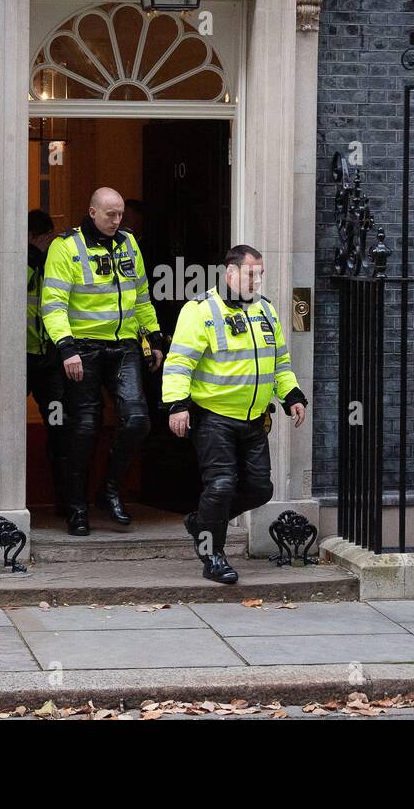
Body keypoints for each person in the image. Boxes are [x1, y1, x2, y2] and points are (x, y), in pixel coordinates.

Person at [162, 244, 308, 584]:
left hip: (255, 418)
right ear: (229, 273)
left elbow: (280, 361)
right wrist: (177, 404)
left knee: (260, 489)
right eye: (250, 273)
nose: (257, 280)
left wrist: (291, 395)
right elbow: (180, 362)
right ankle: (213, 555)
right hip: (214, 416)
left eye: (260, 274)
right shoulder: (201, 311)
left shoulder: (266, 309)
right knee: (222, 486)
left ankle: (202, 523)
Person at [41, 188, 165, 536]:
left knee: (138, 420)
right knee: (83, 429)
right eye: (110, 214)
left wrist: (153, 337)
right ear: (92, 211)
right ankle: (77, 507)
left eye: (121, 214)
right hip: (83, 346)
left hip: (124, 345)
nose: (117, 221)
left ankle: (109, 490)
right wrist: (66, 347)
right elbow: (52, 303)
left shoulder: (128, 243)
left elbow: (141, 294)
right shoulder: (66, 246)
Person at [26, 209, 69, 517]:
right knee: (12, 429)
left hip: (50, 359)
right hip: (21, 359)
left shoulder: (56, 266)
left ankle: (65, 502)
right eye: (44, 238)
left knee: (59, 428)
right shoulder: (20, 264)